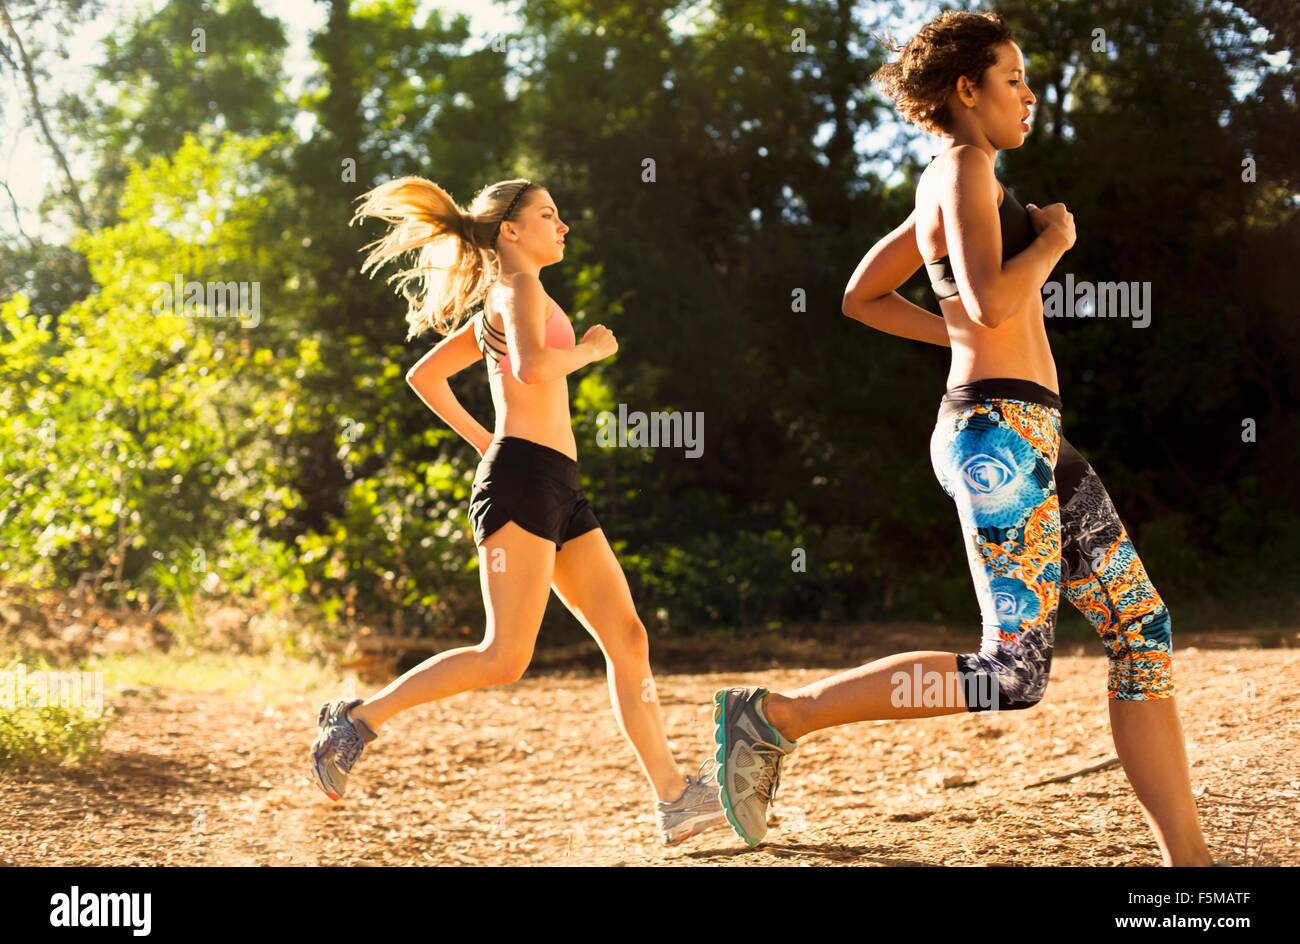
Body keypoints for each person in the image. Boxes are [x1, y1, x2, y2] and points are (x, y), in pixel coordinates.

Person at [711, 10, 1225, 866]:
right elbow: (989, 303)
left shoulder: (953, 179)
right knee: (1010, 674)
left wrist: (958, 335)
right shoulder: (962, 168)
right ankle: (776, 717)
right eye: (1013, 78)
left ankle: (1192, 871)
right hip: (997, 438)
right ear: (966, 90)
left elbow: (862, 297)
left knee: (1142, 626)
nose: (1029, 94)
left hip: (1030, 436)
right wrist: (1054, 243)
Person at [310, 175, 726, 846]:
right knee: (505, 656)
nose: (562, 227)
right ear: (512, 230)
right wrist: (594, 347)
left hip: (553, 482)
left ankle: (676, 799)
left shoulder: (506, 299)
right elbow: (534, 370)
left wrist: (487, 442)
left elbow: (426, 377)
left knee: (628, 639)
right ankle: (356, 720)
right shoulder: (520, 289)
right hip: (525, 483)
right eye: (549, 216)